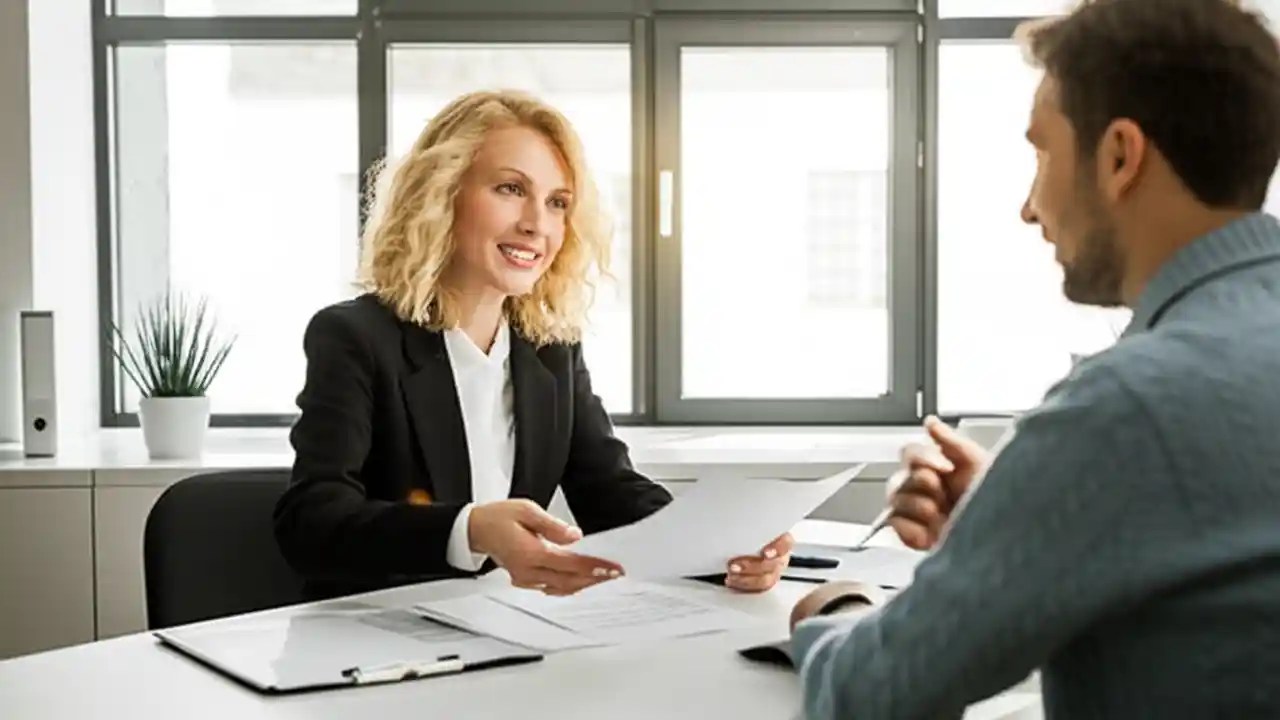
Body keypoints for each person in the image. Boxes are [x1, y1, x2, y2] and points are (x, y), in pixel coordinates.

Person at [789, 0, 1280, 717]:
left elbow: (875, 693)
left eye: (1042, 152)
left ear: (1119, 157)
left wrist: (835, 606)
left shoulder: (1124, 409)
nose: (1029, 206)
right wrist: (1011, 518)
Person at [274, 89, 793, 602]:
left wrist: (722, 546)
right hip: (374, 642)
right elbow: (313, 524)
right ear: (441, 193)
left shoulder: (550, 348)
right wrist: (470, 529)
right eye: (510, 189)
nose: (537, 224)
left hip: (503, 630)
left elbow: (610, 490)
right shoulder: (356, 337)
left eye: (557, 203)